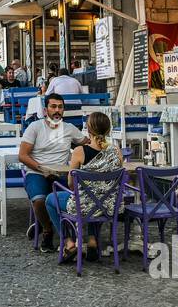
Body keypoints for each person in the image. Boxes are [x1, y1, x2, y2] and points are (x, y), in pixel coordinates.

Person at [42, 111, 125, 264]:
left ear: (88, 130)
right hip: (109, 206)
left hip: (84, 206)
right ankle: (93, 240)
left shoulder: (80, 152)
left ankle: (69, 242)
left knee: (49, 199)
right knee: (98, 198)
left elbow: (71, 184)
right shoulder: (116, 151)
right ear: (108, 130)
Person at [18, 93, 85, 252]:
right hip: (37, 172)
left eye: (60, 107)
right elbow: (22, 155)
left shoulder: (69, 129)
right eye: (53, 107)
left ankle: (80, 235)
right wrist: (42, 169)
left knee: (76, 198)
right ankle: (47, 230)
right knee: (40, 200)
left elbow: (88, 145)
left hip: (61, 174)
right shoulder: (35, 127)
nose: (57, 110)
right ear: (45, 109)